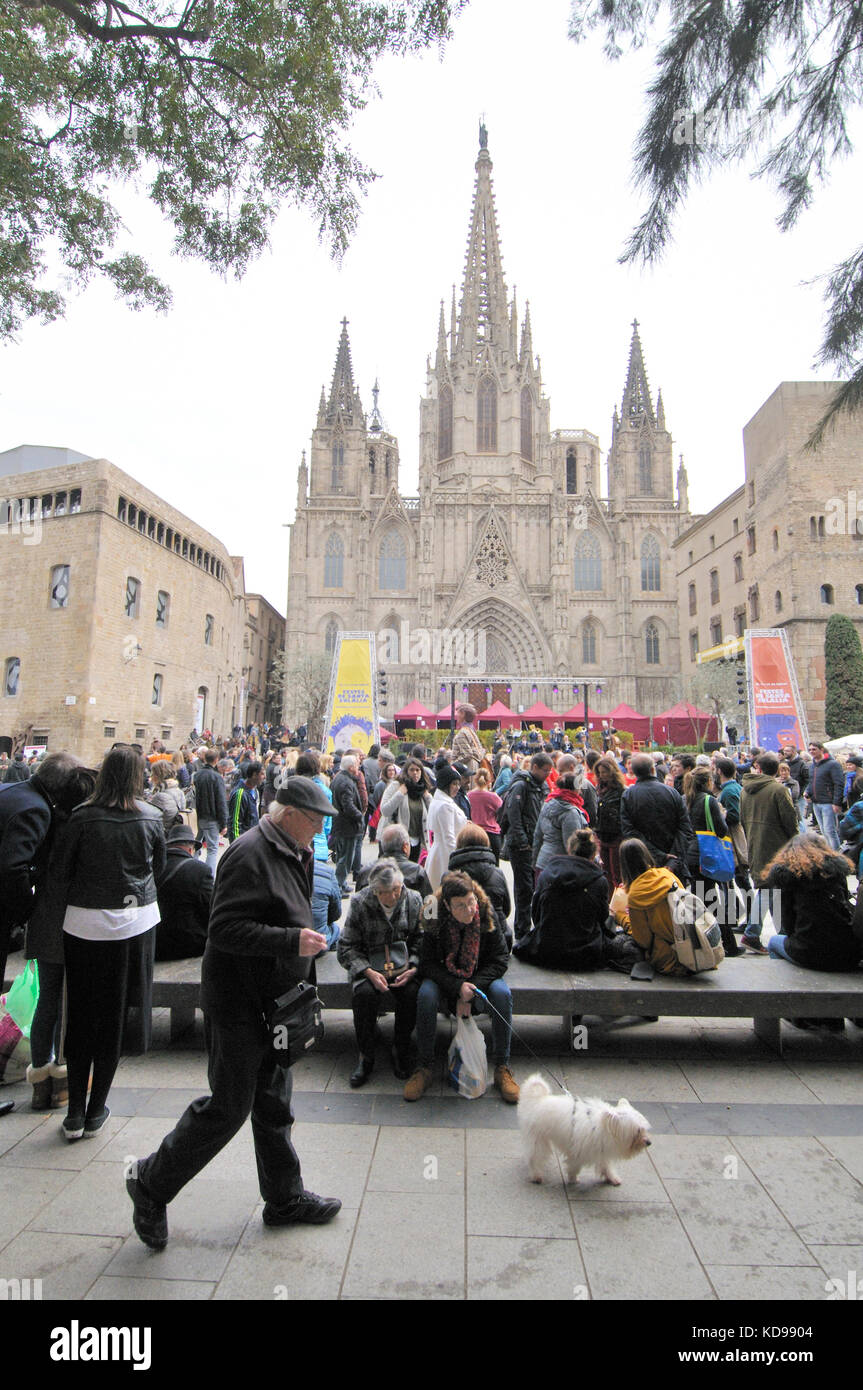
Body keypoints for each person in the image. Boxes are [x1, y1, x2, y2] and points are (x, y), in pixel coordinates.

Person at [126, 776, 341, 1250]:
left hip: (276, 1001)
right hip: (238, 1004)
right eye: (316, 820)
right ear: (289, 816)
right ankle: (150, 1182)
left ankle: (284, 1198)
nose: (319, 829)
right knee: (227, 1108)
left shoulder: (296, 850)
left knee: (274, 1104)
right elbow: (223, 930)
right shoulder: (248, 853)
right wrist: (290, 941)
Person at [56, 746, 167, 1140]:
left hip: (84, 921)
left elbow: (63, 870)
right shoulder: (151, 817)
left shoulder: (81, 817)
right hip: (133, 923)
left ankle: (74, 1112)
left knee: (82, 1013)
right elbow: (159, 870)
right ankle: (96, 1104)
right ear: (139, 777)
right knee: (116, 1015)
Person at [404, 871, 518, 1104]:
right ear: (446, 905)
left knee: (502, 994)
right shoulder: (433, 916)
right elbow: (427, 963)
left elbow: (500, 959)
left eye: (471, 902)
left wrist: (472, 988)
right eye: (460, 906)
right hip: (446, 978)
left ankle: (502, 1066)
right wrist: (457, 987)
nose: (469, 910)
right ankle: (424, 1066)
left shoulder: (487, 913)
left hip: (481, 977)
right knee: (425, 994)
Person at [23, 763, 98, 1112]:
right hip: (73, 923)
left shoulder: (47, 824)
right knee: (72, 1006)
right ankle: (66, 1080)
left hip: (45, 918)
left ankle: (41, 1082)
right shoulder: (84, 830)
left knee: (47, 1000)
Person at [337, 860, 423, 1087]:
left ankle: (401, 1048)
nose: (394, 896)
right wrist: (366, 971)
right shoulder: (360, 902)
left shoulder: (413, 899)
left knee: (411, 993)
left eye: (396, 889)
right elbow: (346, 946)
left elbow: (422, 940)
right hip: (369, 966)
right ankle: (366, 1055)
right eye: (386, 892)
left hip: (403, 966)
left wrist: (414, 966)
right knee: (364, 995)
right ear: (375, 891)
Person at [763, 833, 862, 1030]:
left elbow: (787, 926)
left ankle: (797, 1009)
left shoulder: (788, 875)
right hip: (847, 950)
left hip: (809, 950)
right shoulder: (836, 872)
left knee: (774, 942)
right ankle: (832, 1016)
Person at [517, 828, 610, 970]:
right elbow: (603, 917)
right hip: (586, 953)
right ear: (593, 854)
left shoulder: (547, 874)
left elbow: (536, 914)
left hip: (546, 949)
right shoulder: (599, 881)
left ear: (569, 848)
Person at [739, 751, 800, 952]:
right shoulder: (778, 790)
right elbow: (790, 822)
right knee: (773, 889)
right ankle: (760, 933)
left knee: (768, 889)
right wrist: (797, 843)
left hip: (755, 843)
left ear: (759, 767)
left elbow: (741, 818)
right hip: (777, 846)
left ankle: (768, 933)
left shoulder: (744, 790)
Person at [612, 838, 689, 977]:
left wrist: (620, 916)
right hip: (690, 948)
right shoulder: (668, 875)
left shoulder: (636, 894)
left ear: (624, 865)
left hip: (668, 959)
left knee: (617, 944)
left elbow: (643, 940)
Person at [620, 753, 696, 883]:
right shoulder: (672, 793)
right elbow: (685, 828)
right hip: (671, 861)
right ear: (652, 770)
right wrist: (672, 859)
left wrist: (658, 855)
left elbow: (629, 832)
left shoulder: (628, 796)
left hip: (644, 863)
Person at [503, 751, 553, 943]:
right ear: (534, 768)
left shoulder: (541, 786)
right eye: (545, 770)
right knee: (524, 889)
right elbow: (513, 815)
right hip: (522, 846)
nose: (548, 774)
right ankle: (522, 931)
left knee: (533, 887)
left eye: (550, 771)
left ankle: (531, 929)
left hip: (536, 843)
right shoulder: (521, 785)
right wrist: (522, 840)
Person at [155, 824, 214, 961]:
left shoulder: (154, 867)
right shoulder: (200, 870)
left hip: (157, 944)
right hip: (189, 945)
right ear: (190, 849)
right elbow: (211, 909)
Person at [447, 823, 512, 945]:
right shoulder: (497, 873)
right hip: (496, 938)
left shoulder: (449, 876)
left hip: (461, 939)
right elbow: (506, 909)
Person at [532, 761, 586, 874]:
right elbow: (571, 846)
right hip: (561, 867)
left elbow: (538, 836)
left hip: (542, 863)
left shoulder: (547, 803)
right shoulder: (570, 812)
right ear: (575, 789)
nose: (580, 791)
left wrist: (534, 862)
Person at [355, 822, 433, 899]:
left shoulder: (365, 872)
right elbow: (428, 905)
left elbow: (357, 905)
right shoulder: (416, 872)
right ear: (405, 847)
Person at [379, 757, 431, 861]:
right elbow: (384, 810)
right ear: (406, 771)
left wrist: (428, 797)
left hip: (417, 843)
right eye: (412, 770)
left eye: (418, 770)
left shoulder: (422, 790)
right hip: (396, 841)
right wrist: (399, 794)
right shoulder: (396, 785)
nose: (415, 773)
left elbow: (433, 812)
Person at [426, 764, 468, 890]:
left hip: (439, 852)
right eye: (454, 784)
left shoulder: (440, 800)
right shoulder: (445, 805)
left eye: (458, 784)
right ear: (445, 784)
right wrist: (457, 861)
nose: (457, 787)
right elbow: (449, 837)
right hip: (446, 855)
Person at [330, 753, 365, 896]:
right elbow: (348, 805)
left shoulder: (340, 778)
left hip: (341, 824)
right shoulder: (345, 782)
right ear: (351, 767)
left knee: (342, 856)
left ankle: (342, 883)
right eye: (357, 764)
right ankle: (338, 885)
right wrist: (359, 816)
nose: (358, 767)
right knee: (345, 858)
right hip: (347, 826)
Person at [192, 749, 229, 875]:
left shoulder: (197, 775)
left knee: (196, 845)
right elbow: (221, 801)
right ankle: (209, 877)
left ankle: (192, 871)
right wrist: (224, 823)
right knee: (212, 849)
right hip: (211, 816)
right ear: (216, 760)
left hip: (199, 815)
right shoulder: (216, 777)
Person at [804, 741, 845, 850]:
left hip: (828, 802)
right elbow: (812, 781)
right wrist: (807, 791)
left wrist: (836, 802)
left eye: (814, 749)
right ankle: (830, 852)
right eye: (810, 750)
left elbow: (839, 784)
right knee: (823, 831)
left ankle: (836, 854)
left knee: (830, 831)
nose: (812, 752)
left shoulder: (833, 764)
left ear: (821, 749)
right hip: (816, 802)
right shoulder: (813, 766)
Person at [594, 754, 626, 888]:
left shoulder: (621, 791)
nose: (602, 775)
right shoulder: (600, 789)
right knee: (606, 873)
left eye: (604, 772)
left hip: (616, 837)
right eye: (600, 773)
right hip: (603, 836)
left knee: (617, 875)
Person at [466, 767, 503, 863]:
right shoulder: (494, 797)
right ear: (489, 781)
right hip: (492, 834)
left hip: (474, 833)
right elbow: (502, 811)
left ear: (475, 780)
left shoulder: (469, 795)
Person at [146, 759, 187, 834]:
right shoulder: (179, 791)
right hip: (175, 832)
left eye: (153, 774)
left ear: (158, 776)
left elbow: (150, 818)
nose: (151, 777)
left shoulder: (159, 795)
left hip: (164, 834)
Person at [227, 761, 263, 843]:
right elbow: (235, 822)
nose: (264, 777)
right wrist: (237, 844)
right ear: (254, 775)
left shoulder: (255, 791)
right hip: (243, 842)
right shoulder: (240, 794)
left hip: (252, 839)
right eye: (262, 774)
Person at [451, 704, 485, 775]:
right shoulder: (471, 731)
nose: (457, 716)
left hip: (467, 768)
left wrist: (453, 763)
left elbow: (467, 755)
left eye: (458, 713)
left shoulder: (462, 732)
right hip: (474, 766)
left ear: (463, 714)